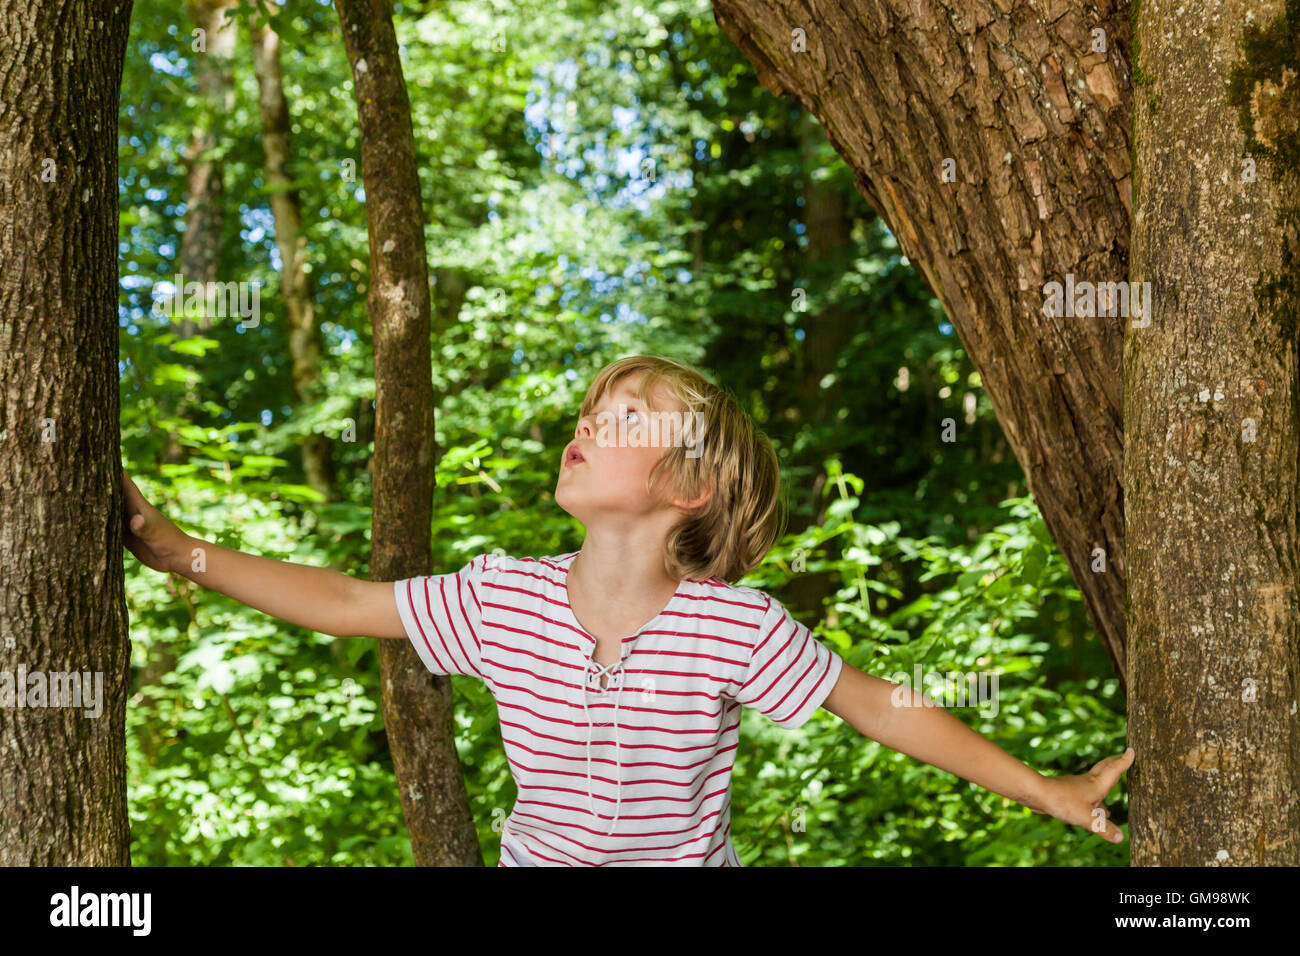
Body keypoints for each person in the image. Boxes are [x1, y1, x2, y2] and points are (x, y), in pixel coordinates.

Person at [122, 354, 1134, 866]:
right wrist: (178, 549)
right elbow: (346, 599)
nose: (585, 426)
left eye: (623, 420)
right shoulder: (502, 598)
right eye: (588, 415)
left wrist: (1042, 786)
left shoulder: (732, 625)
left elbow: (880, 706)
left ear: (687, 486)